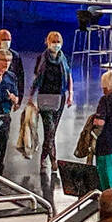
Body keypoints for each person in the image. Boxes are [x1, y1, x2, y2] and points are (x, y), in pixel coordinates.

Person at [28, 31, 73, 171]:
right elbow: (37, 79)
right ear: (47, 42)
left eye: (58, 42)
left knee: (52, 131)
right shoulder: (42, 58)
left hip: (59, 97)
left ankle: (48, 157)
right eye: (53, 42)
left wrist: (71, 94)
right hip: (45, 97)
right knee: (50, 129)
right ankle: (49, 159)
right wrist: (31, 97)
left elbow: (69, 76)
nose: (56, 45)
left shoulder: (64, 58)